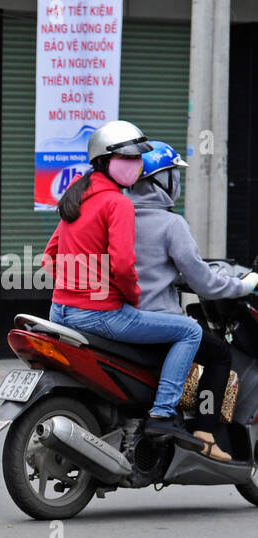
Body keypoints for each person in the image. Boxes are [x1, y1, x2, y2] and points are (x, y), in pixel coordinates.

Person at [44, 119, 202, 447]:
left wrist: (74, 286)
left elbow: (50, 256)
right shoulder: (117, 204)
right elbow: (123, 266)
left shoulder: (77, 196)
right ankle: (162, 414)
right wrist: (130, 298)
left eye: (137, 160)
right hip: (100, 313)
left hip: (59, 311)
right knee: (190, 331)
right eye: (128, 159)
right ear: (105, 162)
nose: (135, 165)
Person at [127, 140, 258, 461]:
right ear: (161, 180)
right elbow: (203, 281)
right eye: (174, 174)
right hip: (157, 322)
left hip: (120, 318)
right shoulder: (172, 224)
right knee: (218, 355)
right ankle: (205, 431)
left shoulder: (118, 218)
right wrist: (242, 286)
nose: (178, 182)